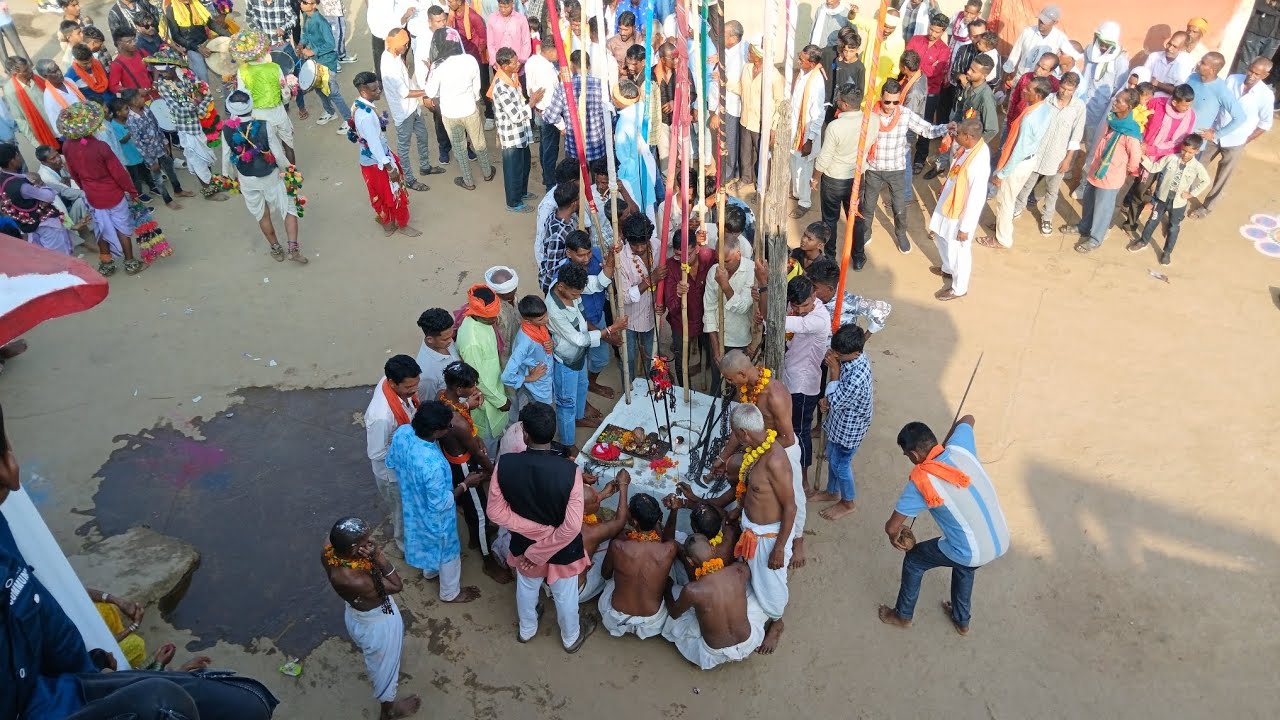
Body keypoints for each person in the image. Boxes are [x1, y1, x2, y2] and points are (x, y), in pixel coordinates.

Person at [879, 415, 1010, 635]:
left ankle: (902, 615)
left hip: (971, 549)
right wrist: (949, 441)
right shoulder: (959, 448)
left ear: (913, 454)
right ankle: (962, 621)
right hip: (1000, 539)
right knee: (966, 566)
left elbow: (892, 526)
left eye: (906, 455)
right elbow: (968, 418)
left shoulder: (922, 480)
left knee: (915, 559)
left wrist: (896, 538)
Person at [486, 402, 598, 652]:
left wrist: (535, 545)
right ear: (553, 431)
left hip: (525, 544)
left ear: (524, 432)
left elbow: (495, 512)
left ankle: (527, 629)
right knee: (565, 594)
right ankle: (570, 638)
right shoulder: (570, 471)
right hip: (562, 548)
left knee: (526, 587)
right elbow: (570, 527)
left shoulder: (505, 465)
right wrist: (547, 536)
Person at [384, 401, 483, 604]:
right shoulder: (433, 464)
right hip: (436, 515)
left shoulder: (403, 433)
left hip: (412, 504)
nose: (450, 428)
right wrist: (465, 484)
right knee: (448, 551)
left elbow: (391, 462)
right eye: (448, 426)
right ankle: (450, 592)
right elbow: (441, 503)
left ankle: (430, 571)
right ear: (436, 432)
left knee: (424, 539)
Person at [322, 517, 419, 720]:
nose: (371, 542)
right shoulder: (352, 579)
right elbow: (395, 586)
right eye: (366, 541)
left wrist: (366, 552)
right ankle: (388, 712)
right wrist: (379, 556)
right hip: (378, 626)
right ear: (353, 549)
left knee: (380, 661)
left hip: (358, 613)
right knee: (384, 673)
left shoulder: (329, 550)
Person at [724, 404, 796, 653]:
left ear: (743, 433)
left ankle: (777, 622)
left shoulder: (775, 461)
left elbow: (790, 507)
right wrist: (740, 509)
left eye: (735, 434)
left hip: (768, 535)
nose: (735, 440)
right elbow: (752, 489)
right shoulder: (755, 451)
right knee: (755, 579)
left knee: (772, 583)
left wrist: (779, 548)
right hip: (752, 528)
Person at [858, 78, 950, 257]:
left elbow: (927, 130)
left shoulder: (906, 114)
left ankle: (901, 234)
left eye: (895, 102)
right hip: (873, 169)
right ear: (880, 98)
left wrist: (947, 128)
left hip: (897, 170)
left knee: (899, 207)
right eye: (887, 101)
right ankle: (866, 232)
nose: (891, 105)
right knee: (868, 206)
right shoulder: (870, 115)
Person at [58, 102, 148, 276]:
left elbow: (74, 173)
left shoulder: (68, 146)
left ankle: (106, 264)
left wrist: (86, 186)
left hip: (92, 194)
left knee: (101, 228)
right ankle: (130, 262)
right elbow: (119, 174)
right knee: (121, 227)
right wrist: (132, 191)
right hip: (112, 193)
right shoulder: (100, 147)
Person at [221, 90, 310, 264]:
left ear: (230, 109)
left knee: (262, 214)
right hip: (270, 176)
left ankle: (276, 248)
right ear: (251, 106)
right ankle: (293, 249)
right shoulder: (264, 125)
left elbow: (226, 156)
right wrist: (290, 171)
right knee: (290, 208)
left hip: (246, 179)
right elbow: (277, 153)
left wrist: (228, 177)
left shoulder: (226, 129)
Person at [548, 262, 627, 445]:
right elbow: (579, 339)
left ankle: (579, 417)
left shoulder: (570, 286)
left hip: (579, 355)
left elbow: (597, 284)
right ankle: (568, 444)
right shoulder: (554, 310)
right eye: (575, 294)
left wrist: (609, 262)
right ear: (561, 287)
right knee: (566, 404)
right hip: (566, 360)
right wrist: (611, 329)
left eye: (579, 293)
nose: (578, 297)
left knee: (582, 385)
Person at [662, 533, 768, 668]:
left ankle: (697, 657)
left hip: (713, 653)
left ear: (689, 561)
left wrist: (667, 587)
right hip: (748, 642)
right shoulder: (738, 570)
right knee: (752, 593)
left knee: (675, 601)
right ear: (713, 548)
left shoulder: (692, 590)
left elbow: (674, 613)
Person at [1065, 89, 1143, 254]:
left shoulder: (1130, 131)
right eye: (1116, 98)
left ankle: (1095, 239)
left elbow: (1135, 158)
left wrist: (1123, 170)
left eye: (1120, 101)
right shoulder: (1112, 119)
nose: (1115, 101)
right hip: (1096, 170)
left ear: (1128, 107)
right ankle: (1084, 227)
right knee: (1089, 201)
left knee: (1103, 209)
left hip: (1110, 176)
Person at [979, 77, 1053, 251]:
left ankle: (1003, 239)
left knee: (1005, 200)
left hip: (1018, 163)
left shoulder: (1029, 118)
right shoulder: (1045, 108)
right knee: (1008, 199)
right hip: (1028, 159)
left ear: (1039, 94)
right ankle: (1001, 226)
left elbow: (1019, 150)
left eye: (1029, 89)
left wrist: (1002, 173)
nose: (1024, 91)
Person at [1195, 57, 1274, 219]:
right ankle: (1184, 194)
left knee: (1222, 177)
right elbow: (1218, 102)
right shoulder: (1232, 80)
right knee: (1197, 165)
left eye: (1257, 74)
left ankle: (1207, 207)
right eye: (1250, 70)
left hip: (1236, 142)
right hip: (1214, 135)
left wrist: (1246, 139)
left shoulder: (1265, 96)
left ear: (1265, 76)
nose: (1251, 75)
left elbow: (1265, 124)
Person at [597, 493, 678, 638]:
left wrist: (617, 540)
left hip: (615, 618)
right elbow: (668, 539)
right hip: (653, 623)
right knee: (667, 569)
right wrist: (674, 511)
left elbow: (605, 574)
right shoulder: (668, 549)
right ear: (658, 518)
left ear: (634, 522)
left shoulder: (618, 546)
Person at [1118, 83, 1197, 232]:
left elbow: (1179, 144)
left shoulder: (1190, 117)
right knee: (1125, 183)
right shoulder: (1157, 103)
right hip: (1137, 151)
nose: (1187, 109)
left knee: (1141, 192)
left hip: (1158, 161)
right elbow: (1139, 120)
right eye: (1184, 106)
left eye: (1190, 105)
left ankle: (1130, 223)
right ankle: (1119, 207)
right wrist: (1139, 143)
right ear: (1174, 102)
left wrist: (1152, 150)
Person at [148, 48, 224, 200]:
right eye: (160, 72)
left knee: (207, 154)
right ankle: (209, 192)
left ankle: (211, 184)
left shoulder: (188, 75)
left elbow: (204, 92)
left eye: (164, 71)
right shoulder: (164, 86)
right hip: (187, 127)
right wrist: (198, 104)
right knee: (197, 159)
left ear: (173, 67)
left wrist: (199, 105)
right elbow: (179, 109)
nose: (162, 75)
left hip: (201, 121)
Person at [350, 71, 420, 236]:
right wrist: (389, 167)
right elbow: (374, 143)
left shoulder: (358, 106)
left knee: (378, 193)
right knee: (393, 190)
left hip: (368, 161)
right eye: (374, 90)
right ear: (364, 92)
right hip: (379, 161)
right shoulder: (366, 117)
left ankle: (387, 223)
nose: (379, 91)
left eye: (378, 88)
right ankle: (402, 225)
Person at [1016, 71, 1085, 236]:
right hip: (1037, 152)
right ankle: (1017, 208)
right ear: (1059, 85)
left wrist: (1068, 159)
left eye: (1069, 90)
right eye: (1063, 88)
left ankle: (1047, 218)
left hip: (1058, 157)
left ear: (1075, 89)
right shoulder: (1047, 100)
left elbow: (1076, 136)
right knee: (1027, 183)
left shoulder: (1079, 107)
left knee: (1052, 190)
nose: (1064, 92)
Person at [424, 28, 494, 191]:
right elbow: (477, 87)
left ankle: (468, 181)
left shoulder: (437, 66)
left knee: (459, 146)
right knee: (479, 142)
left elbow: (430, 92)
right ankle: (487, 172)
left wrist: (430, 70)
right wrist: (474, 99)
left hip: (450, 112)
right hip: (470, 108)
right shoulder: (469, 60)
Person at [364, 354, 421, 552]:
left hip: (406, 461)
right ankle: (406, 546)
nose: (414, 390)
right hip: (392, 475)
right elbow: (377, 453)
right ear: (392, 383)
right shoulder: (381, 416)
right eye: (408, 388)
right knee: (402, 512)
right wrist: (411, 448)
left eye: (416, 384)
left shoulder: (395, 387)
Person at [927, 120, 988, 300]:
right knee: (940, 234)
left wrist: (966, 227)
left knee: (960, 249)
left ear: (968, 137)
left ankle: (959, 288)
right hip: (949, 201)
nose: (957, 135)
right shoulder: (968, 149)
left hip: (961, 212)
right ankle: (948, 268)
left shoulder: (979, 160)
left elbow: (977, 197)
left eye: (960, 134)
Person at [783, 275, 832, 499]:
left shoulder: (818, 319)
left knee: (800, 432)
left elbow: (788, 322)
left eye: (804, 305)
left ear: (814, 296)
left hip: (804, 386)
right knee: (792, 429)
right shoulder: (800, 310)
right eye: (796, 306)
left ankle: (803, 482)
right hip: (791, 376)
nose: (801, 310)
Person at [555, 228, 617, 403]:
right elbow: (596, 285)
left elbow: (602, 282)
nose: (587, 259)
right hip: (578, 327)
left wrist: (610, 260)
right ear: (569, 253)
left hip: (598, 316)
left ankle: (592, 382)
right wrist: (606, 333)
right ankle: (582, 401)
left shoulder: (597, 255)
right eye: (581, 255)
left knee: (601, 359)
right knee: (577, 369)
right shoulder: (564, 278)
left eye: (588, 253)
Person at [1128, 134, 1209, 264]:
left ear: (1197, 152)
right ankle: (1143, 241)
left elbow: (1206, 181)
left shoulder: (1197, 167)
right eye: (1184, 150)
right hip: (1161, 199)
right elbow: (1155, 167)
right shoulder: (1171, 158)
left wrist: (1191, 194)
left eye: (1190, 152)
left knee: (1173, 227)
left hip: (1179, 203)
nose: (1185, 154)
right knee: (1152, 221)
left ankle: (1167, 252)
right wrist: (1143, 157)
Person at [455, 284, 511, 455]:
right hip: (486, 402)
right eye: (491, 318)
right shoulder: (471, 341)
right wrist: (501, 401)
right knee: (488, 443)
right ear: (478, 313)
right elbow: (477, 381)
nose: (495, 320)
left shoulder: (483, 322)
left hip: (496, 389)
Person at [812, 88, 873, 244]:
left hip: (834, 180)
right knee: (856, 217)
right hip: (857, 177)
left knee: (830, 220)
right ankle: (859, 256)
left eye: (838, 100)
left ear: (845, 105)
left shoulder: (835, 126)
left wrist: (815, 178)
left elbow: (824, 158)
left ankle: (830, 257)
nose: (836, 102)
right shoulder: (873, 120)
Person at [378, 28, 437, 191]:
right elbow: (405, 93)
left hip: (413, 108)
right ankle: (409, 179)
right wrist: (427, 91)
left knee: (423, 135)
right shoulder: (390, 66)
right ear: (396, 45)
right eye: (405, 44)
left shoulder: (391, 53)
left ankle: (425, 166)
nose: (406, 47)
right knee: (404, 147)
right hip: (403, 113)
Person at [923, 54, 995, 180]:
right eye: (970, 68)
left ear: (984, 76)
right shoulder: (968, 86)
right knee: (953, 170)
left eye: (973, 71)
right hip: (959, 135)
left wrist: (968, 147)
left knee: (959, 176)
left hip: (969, 144)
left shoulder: (986, 98)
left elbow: (992, 129)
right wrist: (950, 130)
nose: (968, 71)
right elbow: (961, 110)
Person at [232, 29, 297, 166]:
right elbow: (285, 93)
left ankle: (277, 174)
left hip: (258, 115)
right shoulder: (274, 67)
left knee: (268, 148)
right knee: (288, 144)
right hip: (278, 111)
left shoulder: (242, 70)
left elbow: (242, 96)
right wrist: (285, 100)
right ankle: (293, 174)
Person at [658, 231, 715, 385]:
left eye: (688, 254)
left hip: (707, 320)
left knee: (714, 353)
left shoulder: (709, 256)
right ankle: (684, 389)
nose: (683, 260)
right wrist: (677, 293)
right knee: (681, 360)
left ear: (697, 248)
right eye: (678, 255)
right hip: (681, 324)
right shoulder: (670, 266)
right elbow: (672, 306)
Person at [701, 226, 753, 388]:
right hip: (719, 338)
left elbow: (743, 307)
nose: (722, 266)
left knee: (739, 385)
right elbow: (709, 310)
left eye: (727, 261)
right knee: (718, 383)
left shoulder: (751, 271)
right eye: (718, 261)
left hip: (741, 339)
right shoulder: (713, 272)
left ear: (738, 255)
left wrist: (725, 285)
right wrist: (716, 349)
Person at [0, 144, 75, 255]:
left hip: (29, 226)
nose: (20, 158)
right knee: (61, 255)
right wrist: (40, 184)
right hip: (46, 225)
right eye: (18, 156)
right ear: (12, 161)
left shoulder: (3, 179)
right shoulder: (21, 186)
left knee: (48, 256)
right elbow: (49, 196)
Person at [616, 213, 663, 384]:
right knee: (628, 358)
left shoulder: (658, 246)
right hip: (629, 318)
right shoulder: (621, 258)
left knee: (654, 356)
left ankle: (655, 387)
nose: (640, 249)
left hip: (652, 314)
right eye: (635, 245)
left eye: (643, 244)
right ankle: (629, 391)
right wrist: (651, 280)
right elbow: (625, 297)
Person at [491, 46, 538, 212]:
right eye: (514, 62)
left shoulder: (513, 78)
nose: (518, 64)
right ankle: (513, 202)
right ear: (504, 66)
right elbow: (516, 115)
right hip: (511, 136)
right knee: (513, 169)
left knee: (524, 165)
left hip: (521, 133)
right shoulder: (501, 87)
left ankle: (522, 192)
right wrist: (532, 102)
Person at [785, 44, 827, 220]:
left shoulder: (816, 83)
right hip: (796, 130)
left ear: (811, 63)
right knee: (795, 165)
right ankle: (796, 193)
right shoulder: (803, 74)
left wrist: (809, 139)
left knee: (804, 170)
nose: (798, 61)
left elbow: (818, 115)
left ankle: (805, 202)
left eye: (801, 59)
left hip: (807, 134)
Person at [543, 49, 608, 163]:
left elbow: (550, 116)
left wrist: (563, 126)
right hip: (597, 145)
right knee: (598, 179)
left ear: (572, 66)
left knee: (575, 179)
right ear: (589, 66)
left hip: (574, 146)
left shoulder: (564, 87)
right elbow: (609, 114)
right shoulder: (601, 85)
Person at [1077, 22, 1130, 159]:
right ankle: (1067, 169)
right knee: (1074, 137)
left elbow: (1120, 89)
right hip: (1082, 101)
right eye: (1101, 42)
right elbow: (1085, 75)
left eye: (1107, 44)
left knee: (1092, 142)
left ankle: (1085, 173)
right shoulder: (1090, 51)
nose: (1103, 47)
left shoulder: (1120, 61)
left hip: (1099, 109)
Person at [905, 12, 951, 171]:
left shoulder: (944, 50)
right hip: (909, 89)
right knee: (904, 122)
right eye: (931, 29)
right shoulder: (916, 39)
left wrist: (917, 67)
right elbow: (906, 60)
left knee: (925, 126)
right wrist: (927, 67)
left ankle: (919, 159)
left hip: (930, 93)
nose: (932, 33)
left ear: (943, 31)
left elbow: (935, 72)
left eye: (937, 31)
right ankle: (901, 156)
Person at [805, 258, 893, 339]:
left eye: (814, 287)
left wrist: (863, 339)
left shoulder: (849, 302)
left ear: (830, 289)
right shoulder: (811, 294)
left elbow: (883, 309)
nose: (809, 289)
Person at [737, 36, 783, 190]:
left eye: (750, 51)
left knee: (763, 156)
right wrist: (724, 83)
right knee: (745, 152)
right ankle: (746, 179)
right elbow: (741, 89)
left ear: (759, 54)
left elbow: (779, 102)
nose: (748, 53)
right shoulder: (747, 68)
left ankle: (763, 186)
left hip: (762, 123)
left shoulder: (773, 75)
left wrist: (773, 127)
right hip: (746, 119)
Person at [577, 471, 631, 602]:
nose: (599, 499)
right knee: (616, 542)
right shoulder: (590, 532)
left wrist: (602, 494)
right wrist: (624, 486)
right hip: (576, 591)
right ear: (584, 510)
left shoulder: (561, 508)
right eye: (596, 500)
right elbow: (620, 521)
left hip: (553, 580)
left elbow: (581, 505)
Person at [299, 0, 352, 128]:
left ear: (314, 5)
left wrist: (313, 51)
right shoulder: (306, 16)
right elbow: (306, 34)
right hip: (315, 62)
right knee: (319, 89)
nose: (302, 4)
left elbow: (330, 44)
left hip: (326, 62)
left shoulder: (321, 22)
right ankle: (330, 112)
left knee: (333, 92)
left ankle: (349, 120)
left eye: (305, 2)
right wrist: (301, 43)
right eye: (301, 1)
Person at [502, 295, 554, 409]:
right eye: (541, 319)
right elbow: (506, 377)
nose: (546, 320)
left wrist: (551, 343)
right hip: (538, 386)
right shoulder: (524, 344)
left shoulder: (539, 327)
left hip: (545, 379)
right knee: (543, 413)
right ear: (527, 321)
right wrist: (530, 378)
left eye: (546, 315)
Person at [446, 0, 490, 122]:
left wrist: (476, 54)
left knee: (483, 86)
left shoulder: (473, 16)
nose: (448, 3)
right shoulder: (451, 15)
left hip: (476, 57)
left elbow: (483, 38)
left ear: (459, 2)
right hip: (461, 56)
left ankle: (490, 114)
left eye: (450, 1)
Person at [34, 144, 94, 235]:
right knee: (85, 199)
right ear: (43, 162)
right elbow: (66, 192)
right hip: (65, 212)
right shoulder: (45, 177)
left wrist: (70, 170)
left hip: (71, 197)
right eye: (53, 158)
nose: (58, 159)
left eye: (57, 155)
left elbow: (79, 172)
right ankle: (94, 228)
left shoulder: (61, 159)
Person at [526, 36, 560, 187]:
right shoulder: (546, 71)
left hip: (538, 109)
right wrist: (561, 125)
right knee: (550, 148)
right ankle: (550, 181)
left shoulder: (532, 61)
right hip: (548, 113)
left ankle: (546, 175)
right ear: (551, 51)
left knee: (544, 145)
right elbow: (549, 100)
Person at [3, 58, 59, 149]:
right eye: (25, 70)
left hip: (60, 124)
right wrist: (36, 144)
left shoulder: (38, 75)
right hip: (44, 134)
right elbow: (20, 120)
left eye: (29, 67)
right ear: (15, 74)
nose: (30, 71)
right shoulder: (10, 91)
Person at [105, 97, 152, 202]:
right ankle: (139, 194)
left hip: (138, 152)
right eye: (126, 109)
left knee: (145, 171)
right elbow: (121, 141)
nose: (129, 111)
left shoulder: (129, 119)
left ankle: (152, 186)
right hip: (129, 157)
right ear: (118, 113)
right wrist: (131, 132)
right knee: (136, 177)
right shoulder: (114, 126)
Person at [537, 181, 581, 292]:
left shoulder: (557, 214)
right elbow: (552, 269)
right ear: (574, 203)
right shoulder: (558, 236)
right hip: (555, 286)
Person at [1004, 52, 1060, 140]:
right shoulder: (1026, 77)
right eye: (1038, 65)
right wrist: (1010, 121)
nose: (1038, 69)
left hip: (1033, 130)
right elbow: (1015, 99)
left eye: (1043, 69)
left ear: (1051, 72)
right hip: (1016, 121)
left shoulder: (1055, 86)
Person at [1003, 5, 1066, 80]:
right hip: (1021, 78)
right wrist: (1003, 81)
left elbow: (1062, 65)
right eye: (1040, 20)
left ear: (1055, 22)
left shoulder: (1060, 39)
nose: (1041, 23)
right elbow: (1014, 55)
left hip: (1041, 84)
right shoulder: (1027, 32)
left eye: (1045, 21)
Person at [415, 308, 460, 403]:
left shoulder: (445, 340)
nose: (450, 340)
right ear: (430, 339)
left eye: (451, 336)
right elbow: (429, 406)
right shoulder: (426, 374)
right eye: (445, 339)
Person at [165, 0, 215, 82]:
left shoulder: (196, 3)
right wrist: (197, 48)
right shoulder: (171, 9)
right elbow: (176, 37)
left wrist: (229, 35)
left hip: (206, 43)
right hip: (192, 48)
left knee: (223, 72)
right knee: (203, 79)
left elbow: (211, 23)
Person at [366, 0, 414, 78]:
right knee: (380, 53)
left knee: (397, 50)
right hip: (381, 26)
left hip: (390, 24)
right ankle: (380, 78)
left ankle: (397, 70)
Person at [485, 265, 521, 366]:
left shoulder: (514, 297)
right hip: (504, 356)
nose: (513, 294)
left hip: (519, 347)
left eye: (514, 290)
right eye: (509, 293)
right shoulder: (492, 310)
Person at [1144, 31, 1193, 98]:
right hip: (1148, 98)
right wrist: (1167, 87)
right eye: (1169, 44)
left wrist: (1157, 83)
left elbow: (1178, 92)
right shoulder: (1154, 57)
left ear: (1183, 48)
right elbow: (1143, 83)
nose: (1169, 48)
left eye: (1175, 47)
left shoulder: (1185, 63)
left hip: (1168, 103)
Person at [107, 28, 153, 98]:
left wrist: (155, 82)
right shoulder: (117, 64)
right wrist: (135, 91)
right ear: (119, 44)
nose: (134, 43)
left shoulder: (141, 52)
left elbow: (153, 65)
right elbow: (113, 86)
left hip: (153, 93)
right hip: (137, 100)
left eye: (134, 40)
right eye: (129, 42)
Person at [318, 0, 356, 65]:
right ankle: (333, 60)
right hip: (331, 9)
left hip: (338, 8)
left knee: (341, 30)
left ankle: (341, 55)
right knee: (335, 34)